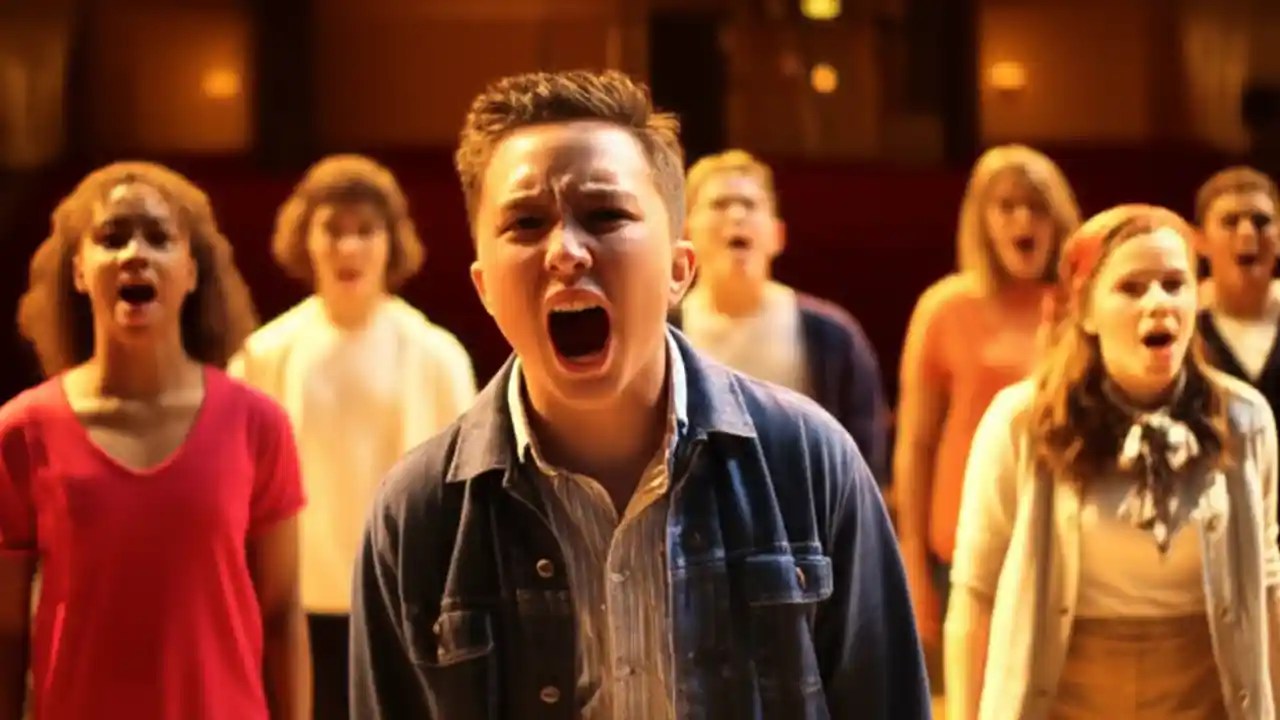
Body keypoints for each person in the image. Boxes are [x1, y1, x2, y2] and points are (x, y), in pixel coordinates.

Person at [349, 69, 929, 720]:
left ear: (679, 269)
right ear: (484, 287)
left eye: (606, 216)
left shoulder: (811, 463)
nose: (566, 252)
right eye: (527, 223)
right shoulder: (416, 516)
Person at [945, 204, 1280, 719]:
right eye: (1132, 287)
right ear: (1086, 311)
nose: (1158, 302)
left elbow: (1267, 585)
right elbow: (975, 593)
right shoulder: (1022, 422)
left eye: (1175, 284)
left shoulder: (1244, 419)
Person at [0, 162, 309, 719]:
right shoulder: (21, 432)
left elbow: (283, 610)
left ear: (191, 271)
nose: (134, 254)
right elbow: (6, 631)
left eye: (159, 238)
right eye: (112, 237)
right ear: (78, 270)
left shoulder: (257, 424)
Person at [228, 154, 476, 720]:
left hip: (404, 605)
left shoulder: (436, 355)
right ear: (305, 240)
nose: (349, 248)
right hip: (297, 610)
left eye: (365, 230)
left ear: (391, 242)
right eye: (333, 230)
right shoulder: (265, 356)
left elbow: (463, 497)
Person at [895, 144, 1081, 653]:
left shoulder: (1084, 306)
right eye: (1007, 206)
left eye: (1037, 207)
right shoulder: (944, 308)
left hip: (1069, 546)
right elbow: (915, 445)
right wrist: (911, 564)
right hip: (963, 547)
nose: (1024, 220)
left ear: (1059, 220)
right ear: (982, 221)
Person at [669, 149, 888, 481]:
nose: (736, 215)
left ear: (777, 235)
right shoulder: (660, 333)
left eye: (750, 204)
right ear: (687, 233)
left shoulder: (832, 336)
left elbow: (864, 461)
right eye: (720, 204)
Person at [1193, 167, 1280, 469]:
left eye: (1261, 221)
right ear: (1201, 241)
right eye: (1230, 222)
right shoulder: (1185, 327)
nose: (1247, 233)